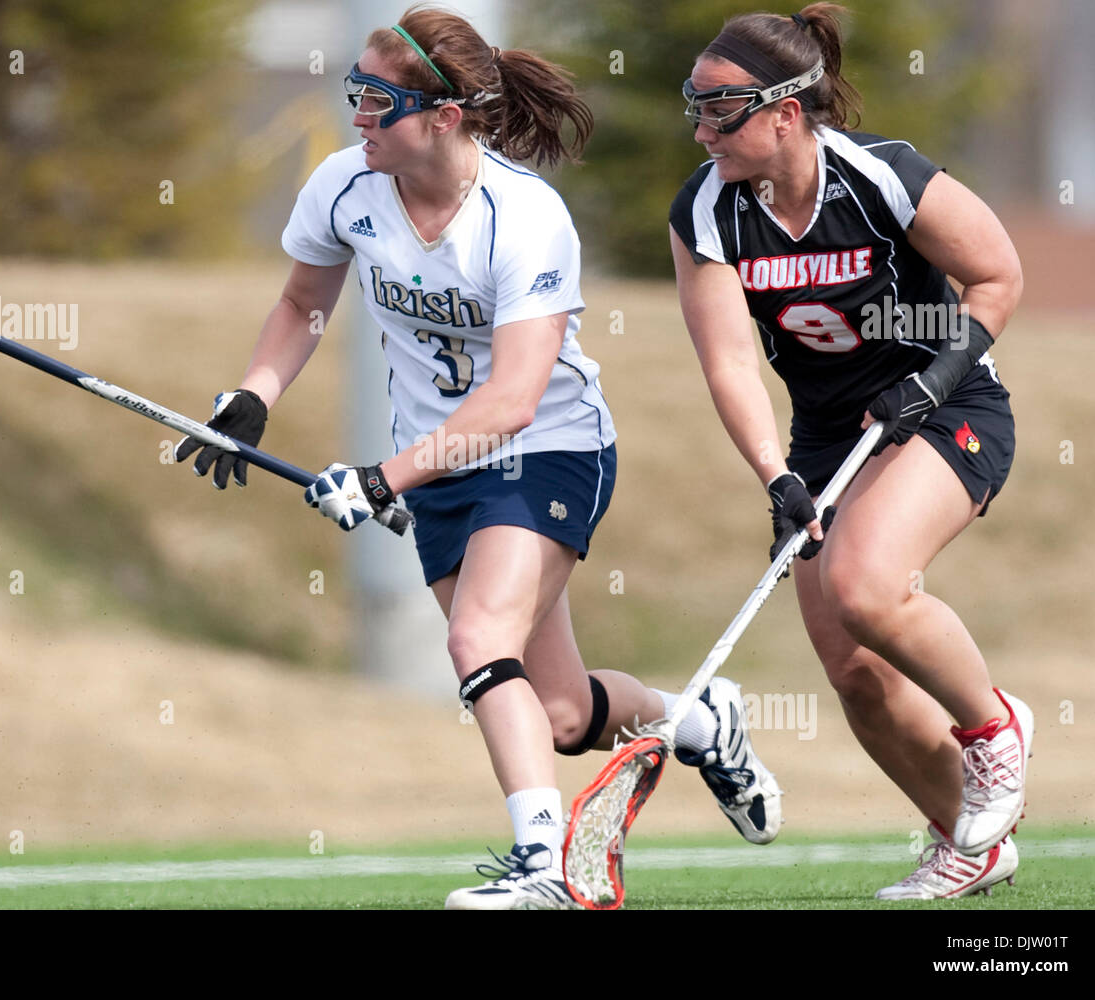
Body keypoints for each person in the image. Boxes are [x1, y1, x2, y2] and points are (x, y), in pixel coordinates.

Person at [177, 4, 782, 909]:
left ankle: (547, 867)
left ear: (445, 116)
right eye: (354, 93)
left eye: (375, 99)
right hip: (442, 465)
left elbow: (513, 401)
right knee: (565, 714)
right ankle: (697, 721)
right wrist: (254, 395)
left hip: (548, 448)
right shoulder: (345, 188)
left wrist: (385, 476)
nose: (356, 117)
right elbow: (303, 302)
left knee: (475, 641)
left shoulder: (524, 216)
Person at [669, 3, 1031, 899]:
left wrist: (935, 379)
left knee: (866, 586)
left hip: (945, 407)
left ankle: (992, 732)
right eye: (697, 107)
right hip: (830, 438)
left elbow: (998, 277)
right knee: (856, 672)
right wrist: (776, 474)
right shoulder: (709, 211)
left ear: (786, 113)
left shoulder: (881, 176)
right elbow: (729, 362)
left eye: (723, 110)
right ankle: (969, 843)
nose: (703, 129)